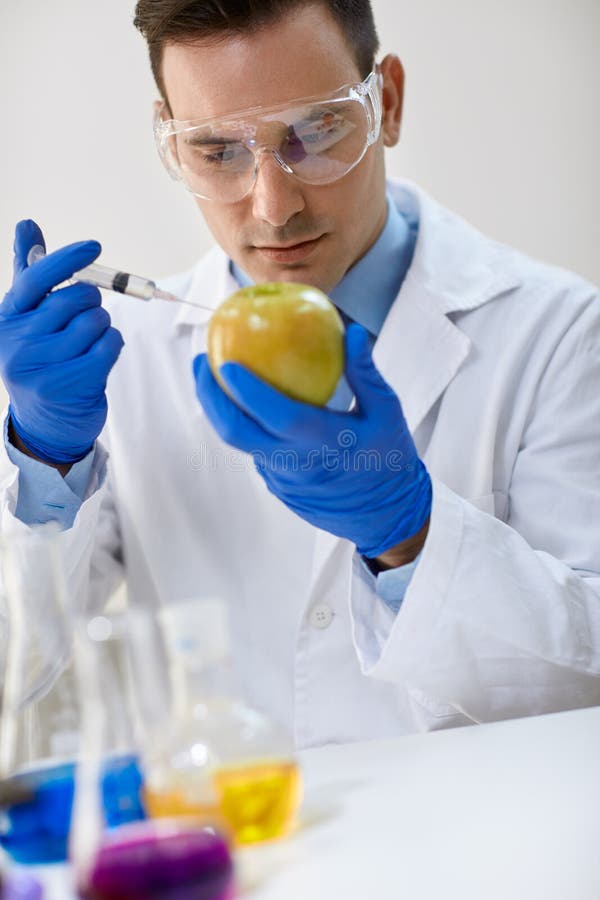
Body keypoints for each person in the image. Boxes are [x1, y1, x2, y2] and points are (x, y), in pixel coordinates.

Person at [0, 0, 599, 745]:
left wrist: (410, 534)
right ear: (171, 141)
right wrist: (45, 459)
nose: (273, 206)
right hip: (239, 852)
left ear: (389, 102)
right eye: (219, 150)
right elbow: (19, 675)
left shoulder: (560, 335)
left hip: (471, 850)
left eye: (315, 132)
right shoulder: (127, 356)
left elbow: (587, 690)